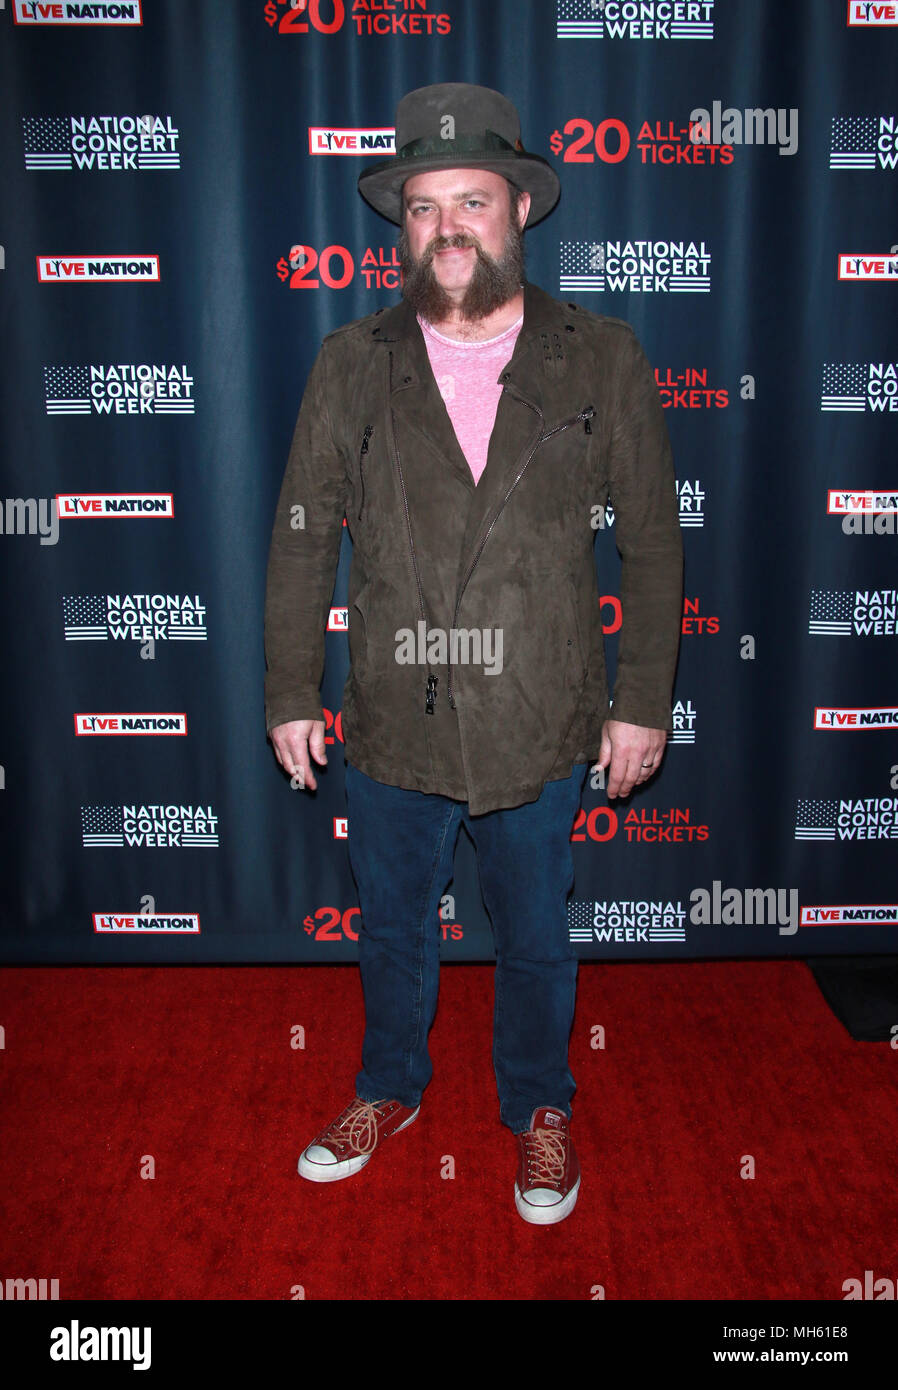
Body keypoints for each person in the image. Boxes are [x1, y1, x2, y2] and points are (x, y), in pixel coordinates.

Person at [263, 83, 683, 1225]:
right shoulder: (351, 361)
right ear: (402, 226)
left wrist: (641, 700)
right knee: (394, 927)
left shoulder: (598, 354)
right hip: (395, 710)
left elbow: (651, 542)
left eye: (473, 201)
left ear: (518, 212)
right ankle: (387, 1087)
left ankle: (539, 1107)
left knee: (535, 932)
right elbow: (303, 536)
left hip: (541, 711)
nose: (448, 226)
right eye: (425, 206)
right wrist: (291, 688)